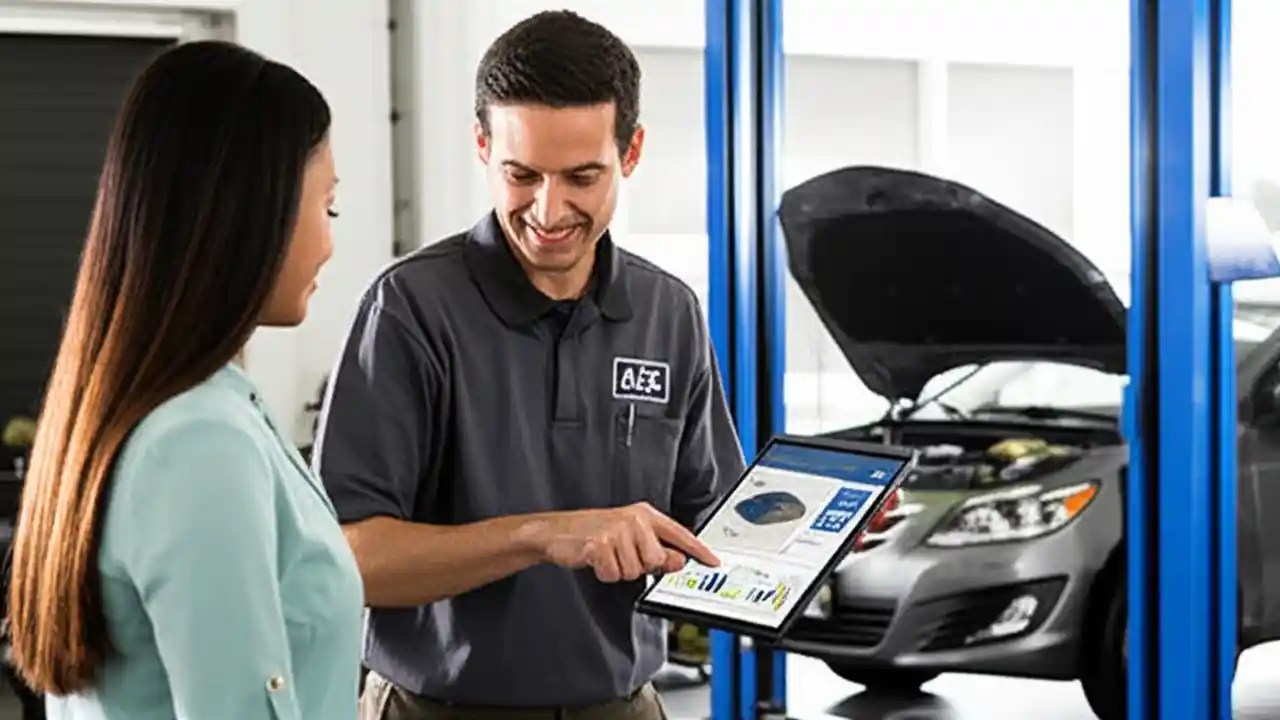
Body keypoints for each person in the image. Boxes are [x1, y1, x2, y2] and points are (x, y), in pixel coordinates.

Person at [312, 10, 745, 720]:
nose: (549, 210)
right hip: (435, 710)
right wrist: (541, 536)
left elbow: (709, 527)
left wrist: (813, 535)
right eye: (522, 174)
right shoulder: (410, 309)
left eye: (582, 177)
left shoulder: (670, 312)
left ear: (632, 151)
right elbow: (346, 557)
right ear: (482, 146)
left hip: (624, 707)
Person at [5, 40, 363, 719]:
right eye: (330, 206)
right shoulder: (200, 440)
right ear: (252, 212)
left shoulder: (135, 410)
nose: (330, 243)